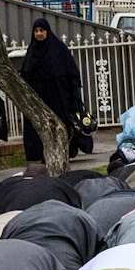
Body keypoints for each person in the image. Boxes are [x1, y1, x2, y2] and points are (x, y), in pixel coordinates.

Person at [18, 18, 85, 166]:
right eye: (36, 31)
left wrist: (72, 93)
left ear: (47, 31)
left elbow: (70, 72)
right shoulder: (32, 51)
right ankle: (42, 154)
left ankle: (62, 152)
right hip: (38, 98)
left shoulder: (58, 49)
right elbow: (26, 74)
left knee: (59, 124)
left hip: (58, 97)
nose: (39, 34)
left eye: (42, 30)